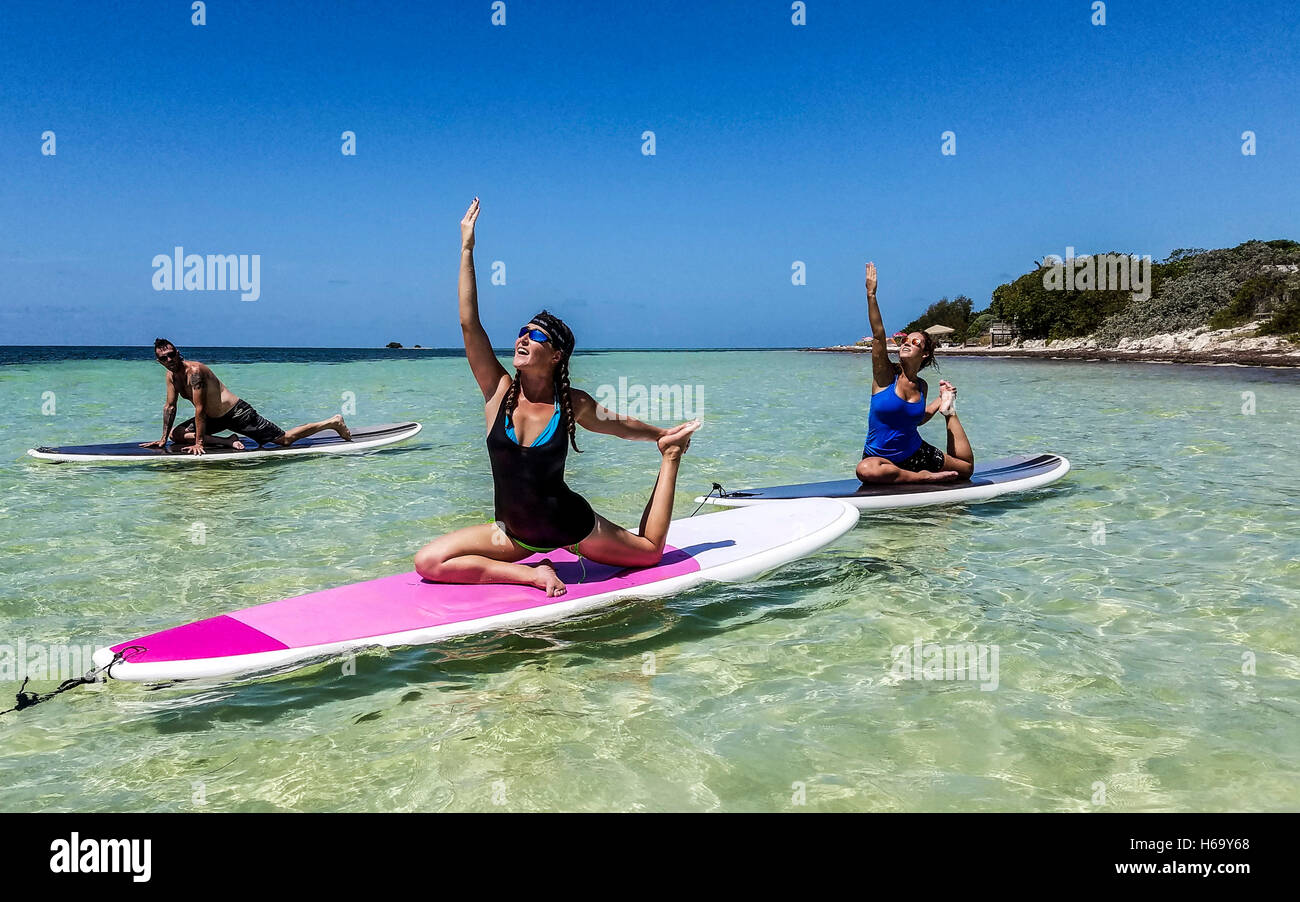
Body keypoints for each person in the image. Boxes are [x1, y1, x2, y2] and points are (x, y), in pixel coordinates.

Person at [414, 198, 700, 598]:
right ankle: (535, 573)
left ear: (556, 355)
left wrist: (661, 436)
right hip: (512, 535)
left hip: (572, 528)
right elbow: (468, 323)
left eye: (536, 336)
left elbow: (619, 426)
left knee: (650, 553)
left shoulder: (572, 403)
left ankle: (672, 457)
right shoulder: (498, 393)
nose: (522, 339)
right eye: (521, 331)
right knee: (428, 562)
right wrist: (466, 248)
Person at [856, 262, 974, 484]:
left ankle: (951, 414)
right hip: (880, 459)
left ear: (925, 354)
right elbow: (879, 335)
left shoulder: (922, 386)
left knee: (965, 470)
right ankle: (921, 478)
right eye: (905, 340)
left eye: (915, 342)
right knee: (865, 470)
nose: (907, 343)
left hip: (915, 453)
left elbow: (916, 420)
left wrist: (943, 402)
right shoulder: (885, 375)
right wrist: (871, 294)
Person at [142, 339, 352, 454]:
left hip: (237, 413)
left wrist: (199, 444)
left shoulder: (195, 372)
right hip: (214, 419)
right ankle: (228, 441)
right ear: (158, 360)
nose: (169, 359)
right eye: (164, 358)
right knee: (176, 435)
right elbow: (170, 407)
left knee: (285, 440)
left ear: (178, 352)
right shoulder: (171, 376)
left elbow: (200, 409)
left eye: (171, 354)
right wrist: (162, 439)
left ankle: (333, 422)